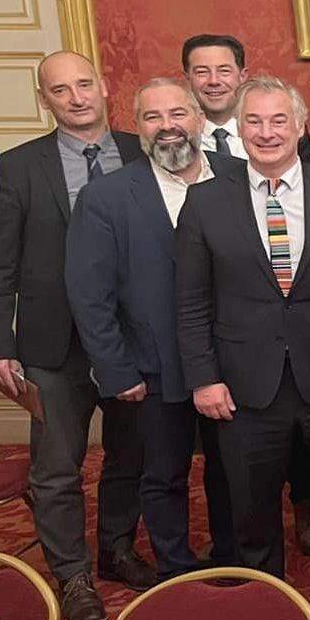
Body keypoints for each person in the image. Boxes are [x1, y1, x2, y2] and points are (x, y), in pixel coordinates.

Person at [175, 77, 310, 620]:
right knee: (251, 501)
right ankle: (264, 598)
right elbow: (192, 302)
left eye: (278, 121)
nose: (267, 133)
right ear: (237, 130)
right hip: (244, 383)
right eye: (255, 122)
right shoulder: (204, 202)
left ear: (299, 128)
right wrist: (203, 378)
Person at [0, 51, 151, 620]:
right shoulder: (19, 165)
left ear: (103, 87)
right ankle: (72, 574)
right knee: (55, 468)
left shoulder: (141, 152)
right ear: (44, 100)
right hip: (54, 345)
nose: (75, 97)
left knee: (132, 457)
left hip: (132, 339)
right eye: (59, 90)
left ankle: (117, 550)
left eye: (83, 85)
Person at [65, 78, 237, 585]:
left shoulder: (239, 177)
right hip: (151, 364)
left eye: (177, 114)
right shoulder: (106, 196)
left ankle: (232, 559)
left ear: (200, 117)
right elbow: (89, 294)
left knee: (232, 470)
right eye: (152, 117)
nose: (168, 127)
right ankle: (178, 568)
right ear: (137, 126)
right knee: (162, 474)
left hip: (234, 361)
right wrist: (116, 370)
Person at [184, 34, 249, 161]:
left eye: (224, 71)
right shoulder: (176, 140)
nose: (214, 81)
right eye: (202, 72)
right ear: (188, 79)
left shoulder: (267, 134)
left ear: (242, 76)